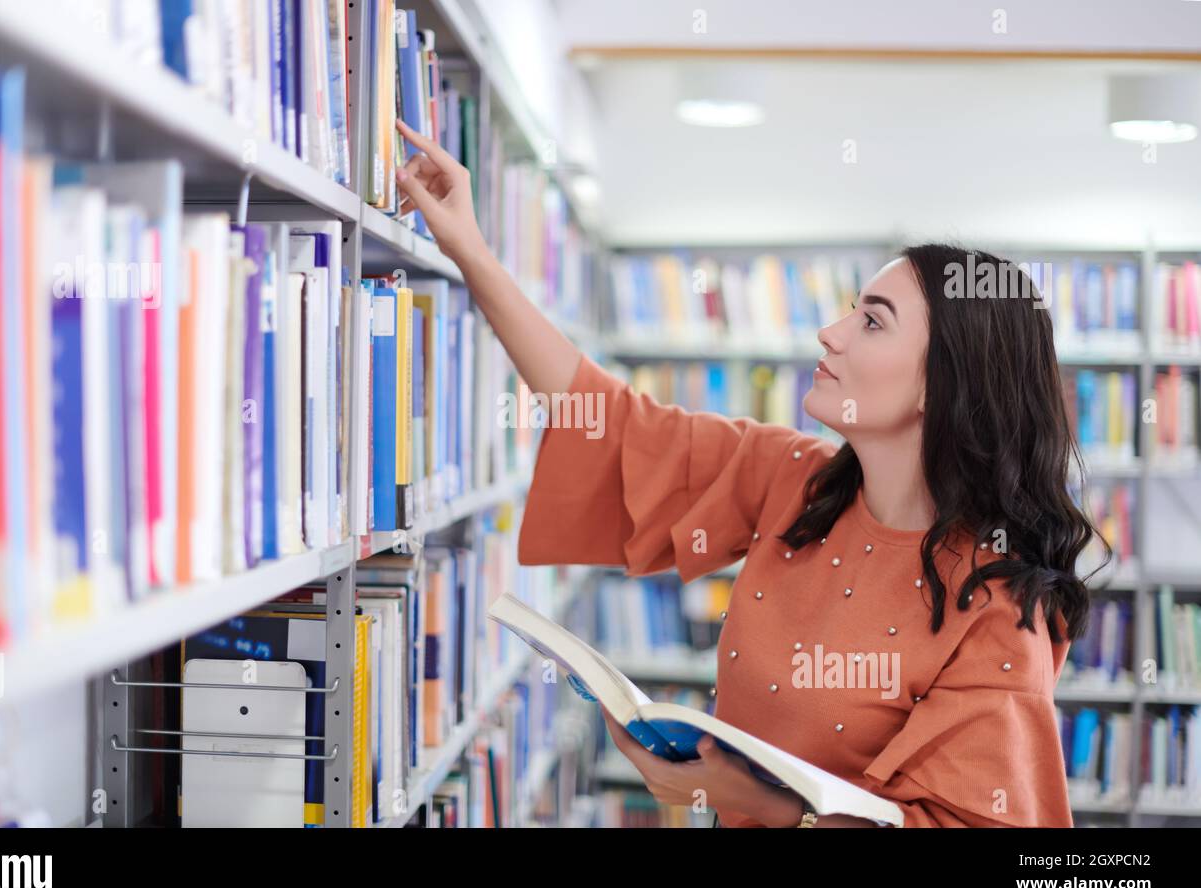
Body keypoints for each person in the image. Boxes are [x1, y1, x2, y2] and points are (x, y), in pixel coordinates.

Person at [392, 118, 1102, 828]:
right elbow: (609, 424)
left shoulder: (999, 611)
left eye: (873, 323)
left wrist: (757, 805)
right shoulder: (794, 479)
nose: (831, 332)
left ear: (940, 389)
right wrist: (470, 251)